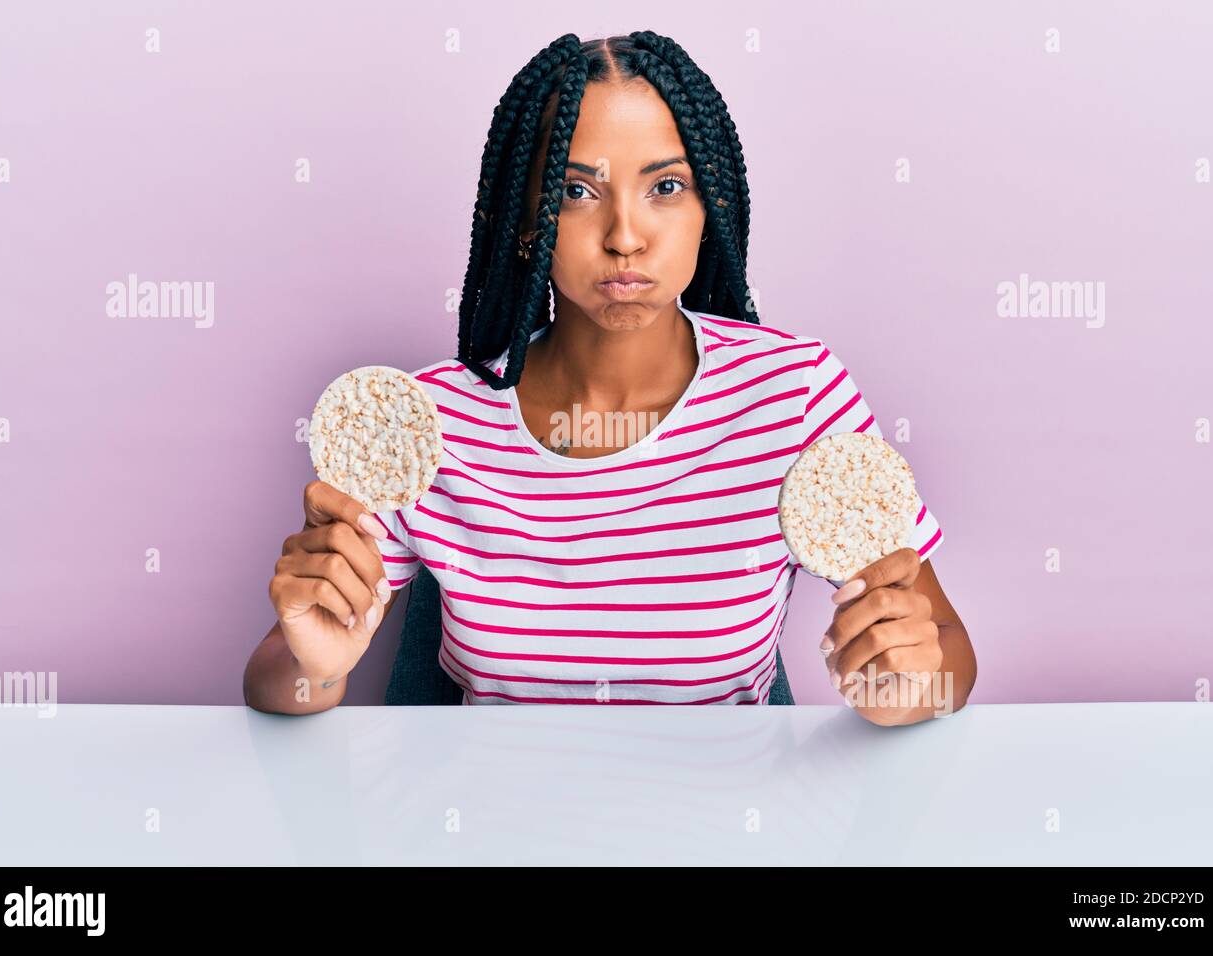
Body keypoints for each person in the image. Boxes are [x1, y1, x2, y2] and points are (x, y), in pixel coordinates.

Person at [244, 31, 975, 719]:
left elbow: (949, 653)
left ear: (709, 208)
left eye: (665, 187)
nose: (625, 235)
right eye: (576, 191)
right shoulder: (428, 423)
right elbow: (275, 682)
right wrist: (318, 663)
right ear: (528, 220)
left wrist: (907, 687)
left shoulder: (794, 397)